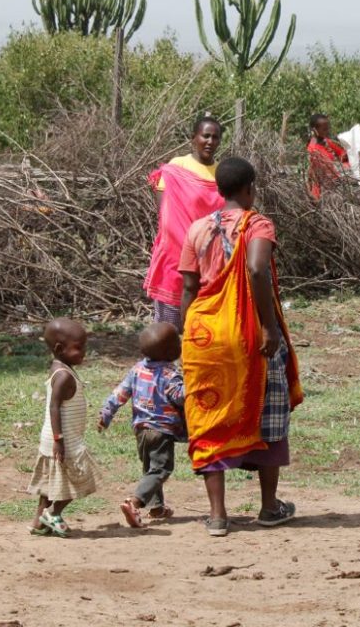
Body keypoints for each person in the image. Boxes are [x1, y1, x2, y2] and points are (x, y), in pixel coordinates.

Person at [179, 157, 303, 537]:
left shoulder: (198, 229)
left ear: (219, 189)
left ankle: (217, 515)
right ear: (250, 187)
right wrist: (268, 326)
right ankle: (268, 507)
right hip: (247, 332)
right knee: (269, 408)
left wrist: (188, 336)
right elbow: (256, 269)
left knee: (209, 412)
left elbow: (187, 287)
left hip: (205, 334)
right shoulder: (258, 224)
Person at [97, 322, 185, 528]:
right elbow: (180, 397)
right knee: (161, 470)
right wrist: (195, 383)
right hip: (162, 431)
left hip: (141, 430)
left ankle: (156, 508)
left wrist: (105, 414)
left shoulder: (136, 369)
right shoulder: (170, 375)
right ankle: (134, 502)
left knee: (150, 469)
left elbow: (120, 394)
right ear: (171, 351)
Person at [144, 116, 226, 332]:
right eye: (205, 136)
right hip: (175, 253)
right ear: (193, 138)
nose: (210, 141)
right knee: (169, 328)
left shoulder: (222, 173)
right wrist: (180, 240)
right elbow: (165, 211)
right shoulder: (177, 167)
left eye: (215, 137)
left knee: (204, 325)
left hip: (210, 256)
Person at [28, 318, 98, 538]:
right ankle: (51, 513)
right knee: (82, 479)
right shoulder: (65, 376)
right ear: (59, 349)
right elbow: (54, 407)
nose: (84, 352)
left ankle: (39, 522)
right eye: (79, 347)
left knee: (51, 483)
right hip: (63, 439)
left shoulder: (58, 368)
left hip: (56, 438)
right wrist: (59, 439)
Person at [306, 113, 350, 200]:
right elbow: (316, 174)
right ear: (314, 130)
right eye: (324, 129)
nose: (328, 131)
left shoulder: (327, 142)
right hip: (322, 192)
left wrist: (345, 163)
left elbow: (343, 154)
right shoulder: (312, 149)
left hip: (335, 187)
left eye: (328, 128)